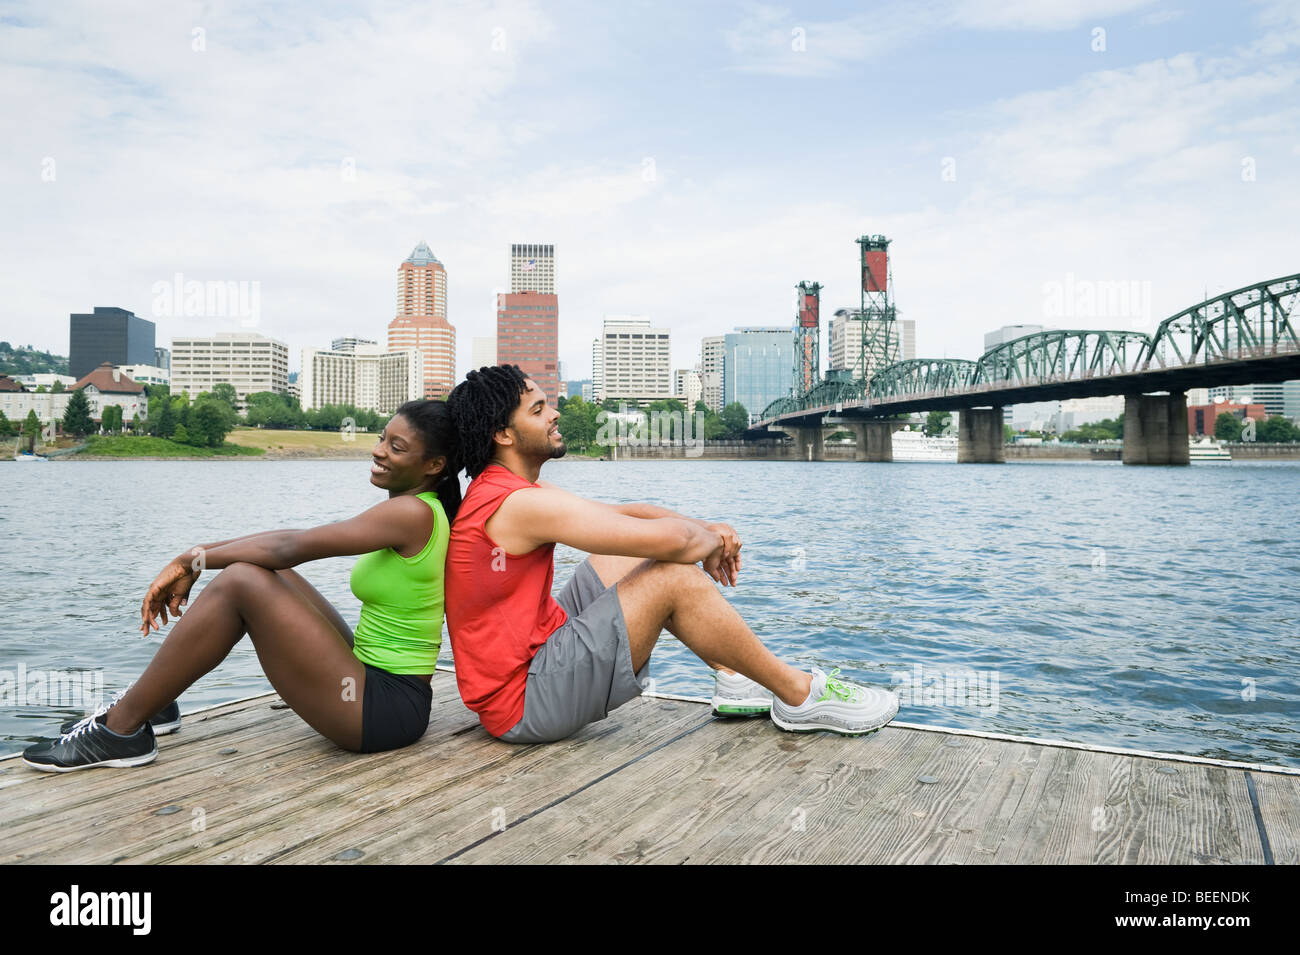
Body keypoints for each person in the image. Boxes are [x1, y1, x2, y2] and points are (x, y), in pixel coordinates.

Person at [443, 365, 898, 745]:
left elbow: (633, 516)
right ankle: (799, 696)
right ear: (502, 432)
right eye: (538, 409)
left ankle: (735, 679)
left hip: (536, 657)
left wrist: (707, 528)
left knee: (618, 557)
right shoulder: (519, 505)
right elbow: (675, 547)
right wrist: (710, 542)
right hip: (524, 703)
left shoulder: (512, 491)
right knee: (671, 577)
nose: (555, 414)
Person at [22, 400, 461, 771]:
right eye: (382, 437)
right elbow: (282, 552)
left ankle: (120, 731)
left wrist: (192, 558)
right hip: (371, 682)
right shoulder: (418, 509)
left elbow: (292, 544)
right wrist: (196, 555)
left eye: (396, 447)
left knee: (242, 582)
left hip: (382, 711)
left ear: (434, 465)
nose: (379, 450)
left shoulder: (412, 514)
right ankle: (154, 704)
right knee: (266, 573)